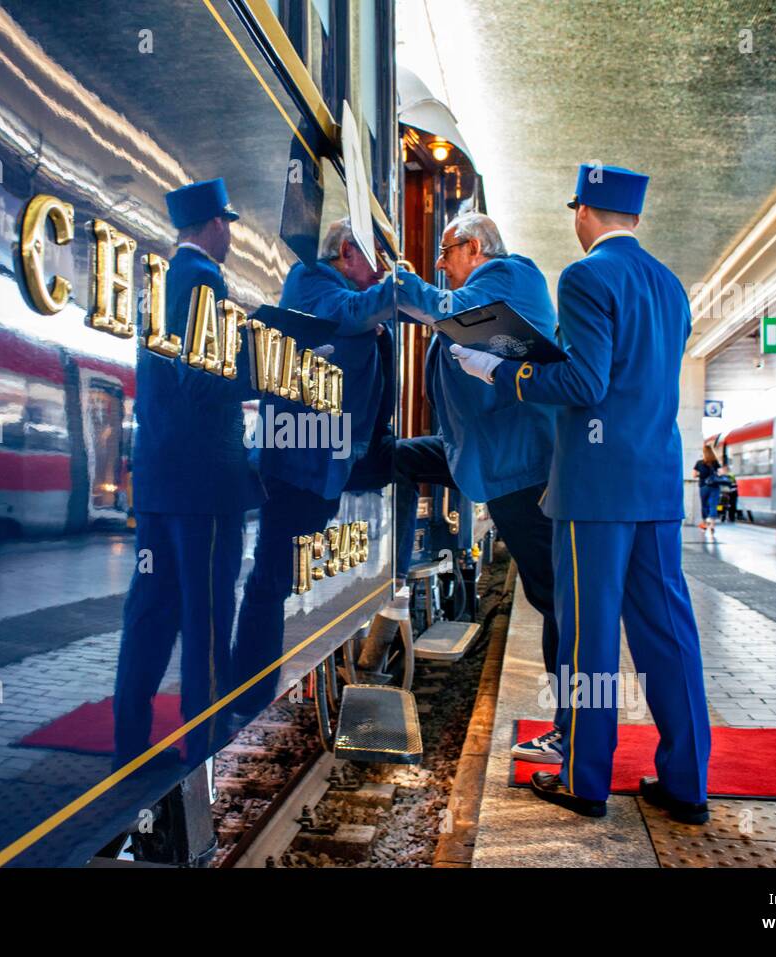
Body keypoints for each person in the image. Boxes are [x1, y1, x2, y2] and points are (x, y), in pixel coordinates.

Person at [449, 165, 712, 824]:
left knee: (586, 637)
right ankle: (688, 784)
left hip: (593, 489)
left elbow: (588, 382)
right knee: (669, 634)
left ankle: (585, 777)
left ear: (583, 213)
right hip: (655, 483)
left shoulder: (586, 276)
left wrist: (503, 370)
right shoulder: (671, 287)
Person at [394, 212, 563, 764]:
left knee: (556, 599)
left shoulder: (512, 276)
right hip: (484, 456)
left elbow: (446, 312)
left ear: (471, 246)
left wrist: (399, 281)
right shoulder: (488, 293)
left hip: (522, 469)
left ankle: (572, 727)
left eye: (445, 253)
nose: (440, 266)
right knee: (391, 457)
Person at [113, 178, 261, 768]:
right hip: (205, 486)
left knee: (151, 608)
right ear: (216, 226)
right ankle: (204, 741)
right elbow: (202, 378)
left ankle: (130, 738)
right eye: (227, 225)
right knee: (206, 613)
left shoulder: (159, 285)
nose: (229, 235)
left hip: (159, 483)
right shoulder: (204, 282)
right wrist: (264, 369)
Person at [231, 219, 396, 716]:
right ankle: (248, 690)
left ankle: (252, 684)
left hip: (326, 462)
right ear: (346, 252)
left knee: (278, 577)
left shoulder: (343, 289)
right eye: (376, 259)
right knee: (272, 578)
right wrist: (397, 292)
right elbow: (346, 317)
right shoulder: (312, 281)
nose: (382, 271)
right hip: (298, 463)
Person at [693, 445, 722, 536]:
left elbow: (694, 475)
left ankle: (704, 524)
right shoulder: (715, 462)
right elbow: (720, 474)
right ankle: (712, 525)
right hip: (715, 486)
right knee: (713, 505)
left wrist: (701, 475)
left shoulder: (699, 463)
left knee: (704, 505)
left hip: (703, 486)